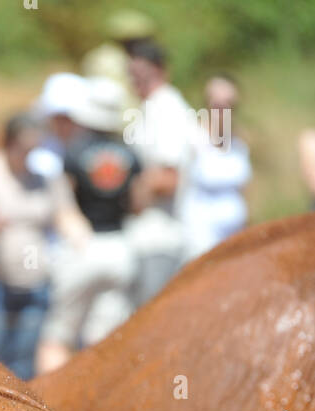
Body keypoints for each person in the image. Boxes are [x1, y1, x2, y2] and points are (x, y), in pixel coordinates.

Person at [0, 112, 90, 378]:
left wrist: (85, 241)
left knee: (23, 369)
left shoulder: (46, 178)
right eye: (23, 148)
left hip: (35, 287)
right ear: (8, 142)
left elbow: (66, 216)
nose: (28, 155)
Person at [37, 78, 141, 373]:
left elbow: (63, 200)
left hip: (83, 246)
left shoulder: (73, 152)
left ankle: (51, 409)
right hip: (120, 248)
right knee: (103, 342)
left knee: (57, 337)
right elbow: (137, 202)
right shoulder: (131, 155)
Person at [125, 39, 195, 303]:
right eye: (133, 75)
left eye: (144, 75)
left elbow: (168, 178)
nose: (137, 82)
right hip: (151, 235)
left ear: (162, 71)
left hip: (160, 237)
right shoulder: (152, 108)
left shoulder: (166, 109)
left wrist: (128, 197)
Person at [180, 76, 251, 259]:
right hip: (200, 243)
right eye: (218, 105)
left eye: (229, 105)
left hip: (234, 239)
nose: (223, 111)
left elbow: (243, 192)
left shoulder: (238, 145)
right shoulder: (192, 139)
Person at [29, 73, 87, 181]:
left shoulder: (91, 149)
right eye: (59, 118)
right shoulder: (38, 155)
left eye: (70, 119)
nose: (65, 124)